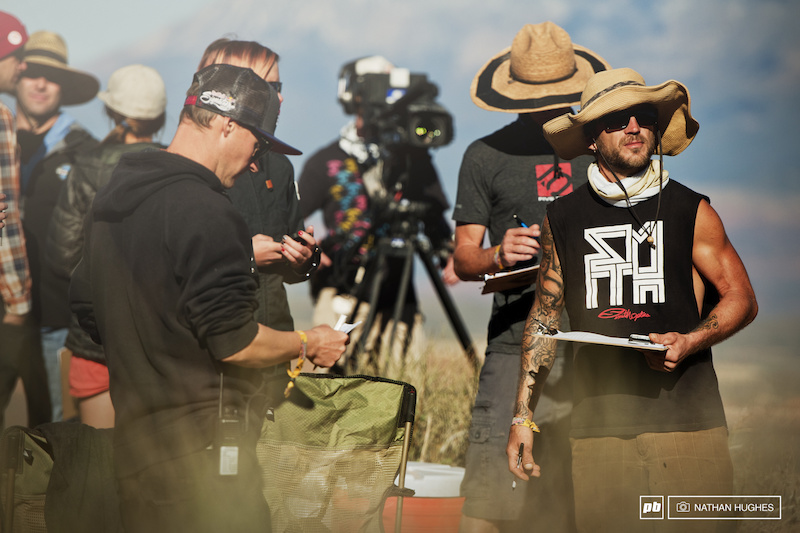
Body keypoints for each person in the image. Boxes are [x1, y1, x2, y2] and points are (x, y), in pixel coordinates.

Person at [70, 63, 348, 532]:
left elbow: (86, 306)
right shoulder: (207, 210)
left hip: (136, 451)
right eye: (257, 143)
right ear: (227, 125)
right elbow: (234, 342)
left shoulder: (114, 195)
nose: (256, 160)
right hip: (202, 462)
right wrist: (309, 342)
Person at [507, 67, 758, 532]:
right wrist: (523, 417)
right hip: (598, 426)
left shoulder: (692, 208)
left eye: (642, 116)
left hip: (689, 422)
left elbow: (741, 298)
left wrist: (690, 341)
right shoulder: (562, 216)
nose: (633, 127)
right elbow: (543, 320)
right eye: (615, 121)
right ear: (590, 140)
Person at [452, 22, 610, 533]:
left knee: (581, 501)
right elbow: (462, 259)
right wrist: (498, 253)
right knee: (489, 497)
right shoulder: (484, 154)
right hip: (513, 344)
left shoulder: (600, 147)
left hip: (595, 341)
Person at [298, 55, 456, 376]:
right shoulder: (327, 161)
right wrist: (309, 253)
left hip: (398, 299)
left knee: (406, 388)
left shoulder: (415, 161)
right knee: (331, 388)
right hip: (344, 293)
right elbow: (291, 214)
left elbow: (433, 215)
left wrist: (449, 255)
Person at [195, 38, 321, 400]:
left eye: (280, 87)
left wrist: (304, 259)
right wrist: (247, 256)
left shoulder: (278, 166)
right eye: (269, 87)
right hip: (217, 353)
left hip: (275, 346)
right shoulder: (199, 167)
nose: (279, 98)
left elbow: (292, 271)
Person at [45, 64, 167, 428]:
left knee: (98, 465)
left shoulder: (87, 166)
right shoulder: (178, 168)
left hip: (93, 336)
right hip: (159, 341)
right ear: (160, 117)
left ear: (111, 111)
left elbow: (62, 254)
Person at [16, 30, 99, 423]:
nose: (41, 83)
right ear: (16, 75)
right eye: (32, 72)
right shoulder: (1, 138)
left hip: (55, 314)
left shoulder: (86, 150)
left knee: (54, 425)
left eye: (52, 76)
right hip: (4, 313)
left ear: (63, 87)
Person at [0, 10, 43, 430]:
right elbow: (6, 218)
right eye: (16, 54)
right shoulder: (1, 117)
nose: (22, 65)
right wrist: (18, 301)